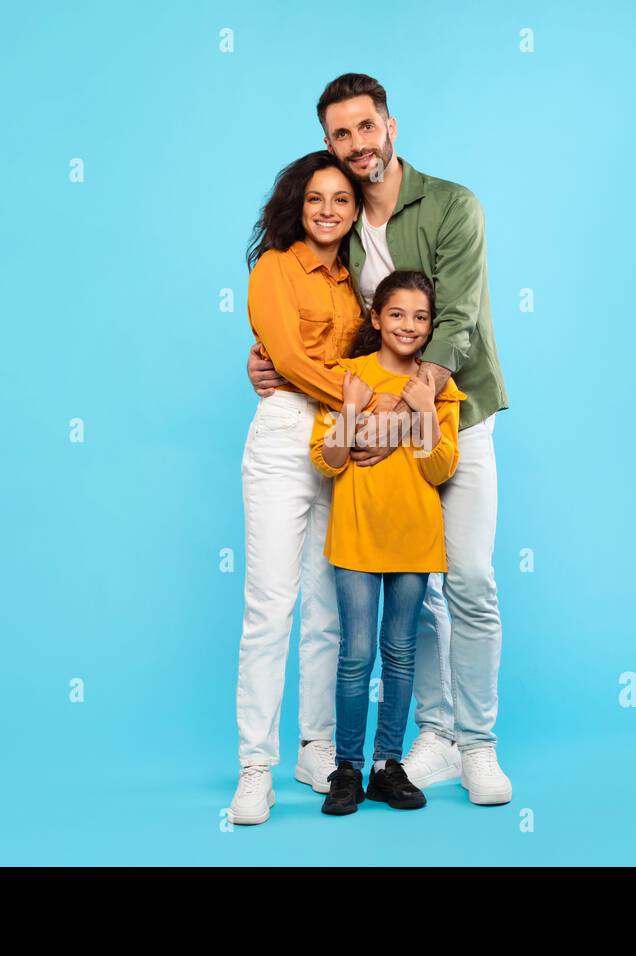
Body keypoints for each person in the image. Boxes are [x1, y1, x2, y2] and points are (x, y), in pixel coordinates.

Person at [247, 74, 512, 805]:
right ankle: (421, 739)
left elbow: (454, 323)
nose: (357, 144)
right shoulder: (337, 223)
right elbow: (328, 328)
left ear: (390, 125)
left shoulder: (453, 204)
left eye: (367, 127)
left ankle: (475, 743)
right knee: (408, 590)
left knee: (469, 579)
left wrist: (392, 416)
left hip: (454, 412)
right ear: (328, 143)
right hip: (369, 430)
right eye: (342, 134)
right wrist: (270, 357)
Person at [230, 151, 366, 826]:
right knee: (270, 608)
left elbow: (369, 356)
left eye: (341, 199)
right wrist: (365, 396)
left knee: (328, 609)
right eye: (316, 198)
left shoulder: (355, 282)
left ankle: (317, 749)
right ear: (297, 204)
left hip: (339, 443)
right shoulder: (275, 268)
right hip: (285, 438)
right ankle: (255, 767)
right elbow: (284, 357)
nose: (328, 210)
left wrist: (361, 398)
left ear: (355, 209)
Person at [308, 271, 466, 815]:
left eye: (421, 317)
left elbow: (441, 469)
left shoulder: (438, 389)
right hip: (356, 537)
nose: (408, 325)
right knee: (356, 654)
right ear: (375, 318)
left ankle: (386, 765)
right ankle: (347, 767)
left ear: (431, 326)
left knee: (399, 653)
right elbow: (328, 461)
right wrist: (352, 411)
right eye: (397, 314)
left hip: (414, 541)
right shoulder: (348, 376)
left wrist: (423, 409)